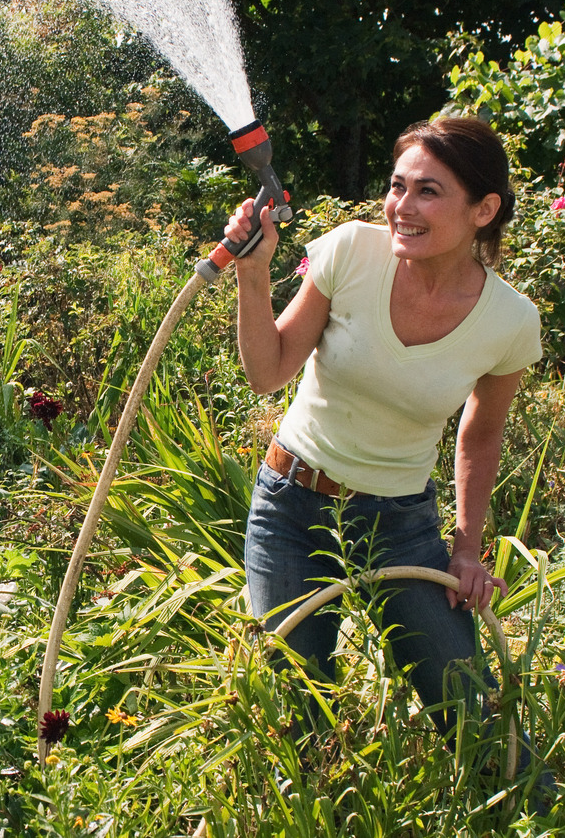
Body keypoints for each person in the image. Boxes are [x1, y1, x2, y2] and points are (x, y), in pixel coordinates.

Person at [228, 116, 542, 735]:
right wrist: (252, 270)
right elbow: (268, 372)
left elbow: (481, 434)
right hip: (290, 507)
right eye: (398, 186)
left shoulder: (509, 321)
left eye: (428, 191)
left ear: (483, 210)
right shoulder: (351, 251)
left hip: (400, 525)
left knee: (470, 715)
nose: (402, 206)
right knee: (300, 712)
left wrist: (467, 549)